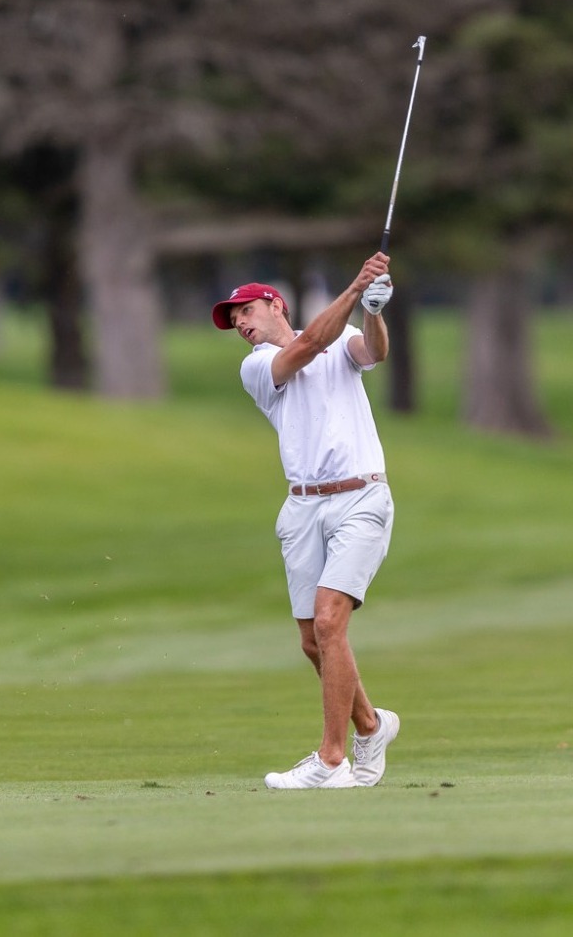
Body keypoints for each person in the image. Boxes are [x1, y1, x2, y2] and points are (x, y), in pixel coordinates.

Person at [212, 251, 401, 789]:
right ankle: (370, 726)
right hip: (301, 506)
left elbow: (374, 351)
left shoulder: (341, 342)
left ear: (275, 303)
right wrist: (355, 286)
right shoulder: (258, 367)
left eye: (245, 312)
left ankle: (333, 759)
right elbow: (309, 344)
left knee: (329, 620)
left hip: (361, 496)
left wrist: (373, 309)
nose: (241, 326)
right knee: (313, 640)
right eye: (234, 323)